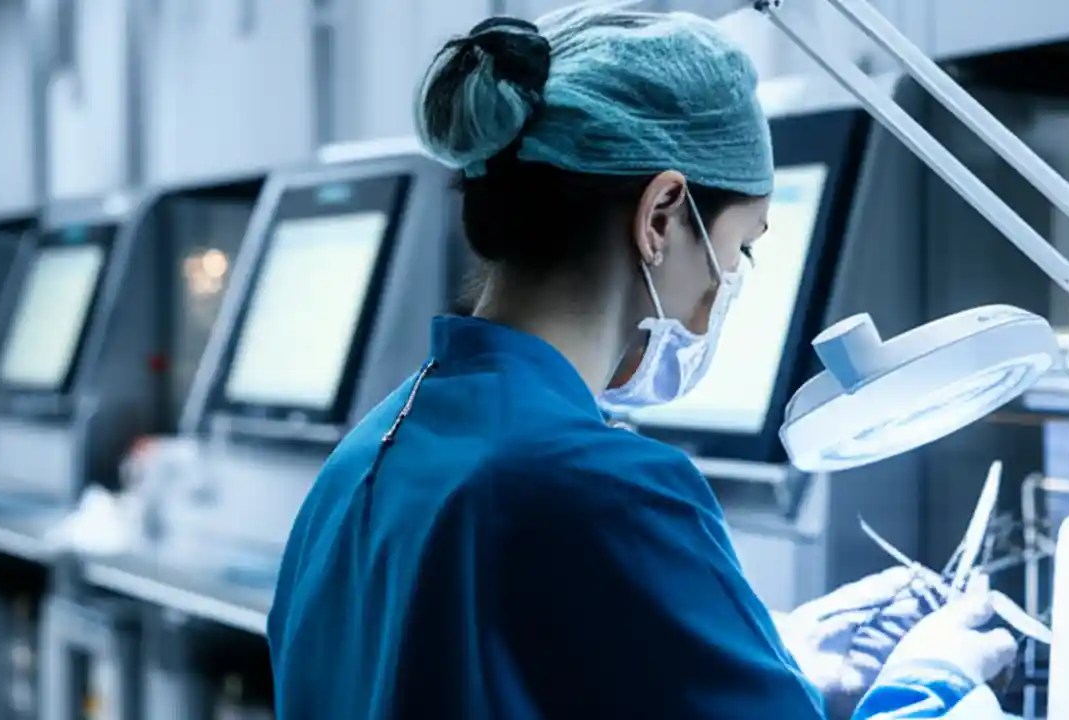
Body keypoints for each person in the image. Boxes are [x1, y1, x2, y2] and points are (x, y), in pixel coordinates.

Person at [266, 5, 1015, 719]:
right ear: (661, 216)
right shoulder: (606, 488)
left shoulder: (365, 457)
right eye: (742, 244)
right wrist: (930, 681)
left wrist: (767, 658)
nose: (732, 278)